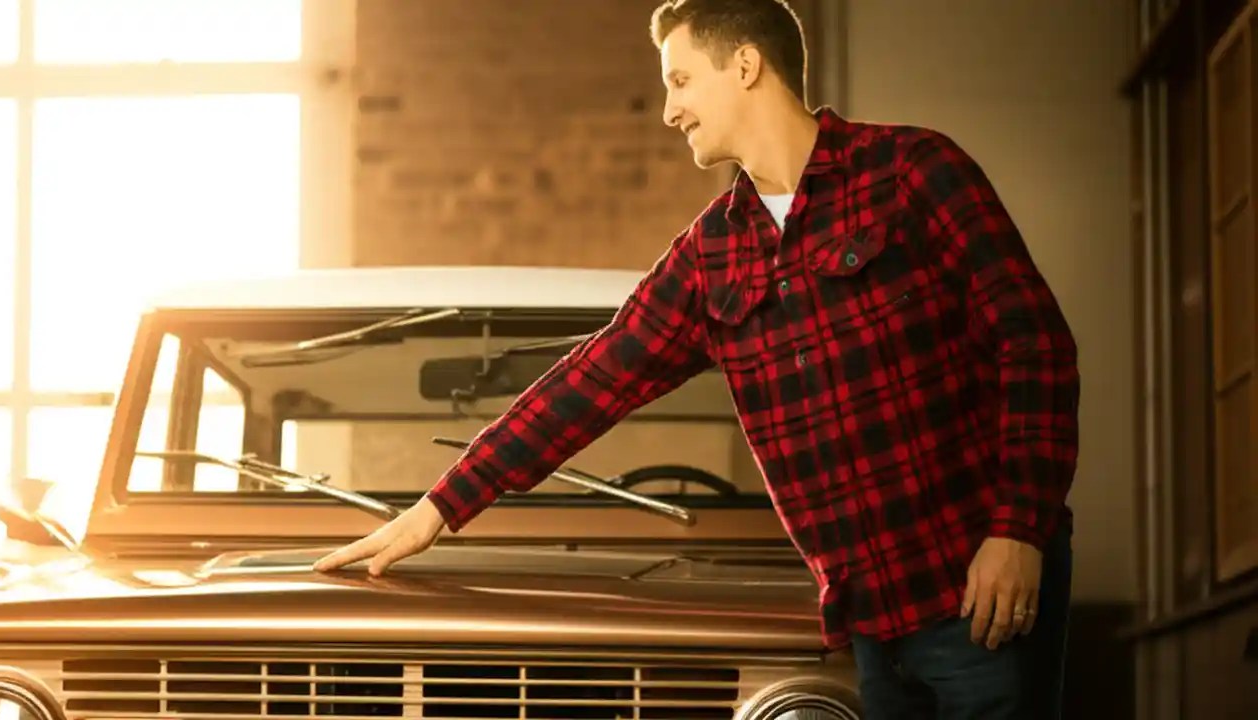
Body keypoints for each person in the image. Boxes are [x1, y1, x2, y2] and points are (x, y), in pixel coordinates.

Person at [315, 1, 1080, 717]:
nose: (670, 109)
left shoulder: (912, 172)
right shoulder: (711, 253)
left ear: (745, 65)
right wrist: (440, 507)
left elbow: (1034, 342)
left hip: (981, 598)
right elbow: (591, 381)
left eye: (681, 80)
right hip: (870, 629)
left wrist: (1017, 530)